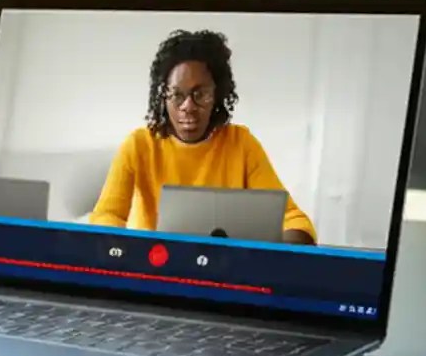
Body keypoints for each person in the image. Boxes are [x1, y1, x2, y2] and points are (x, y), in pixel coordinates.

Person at [89, 29, 318, 245]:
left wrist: (283, 254)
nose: (188, 106)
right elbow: (106, 216)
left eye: (200, 94)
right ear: (163, 97)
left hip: (225, 272)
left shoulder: (241, 144)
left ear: (217, 95)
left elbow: (293, 218)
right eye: (177, 95)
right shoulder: (139, 145)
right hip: (154, 271)